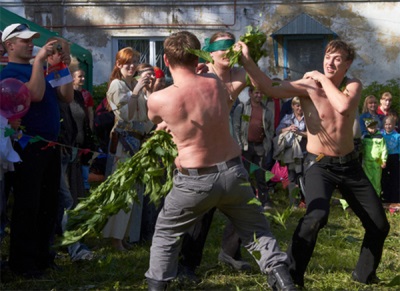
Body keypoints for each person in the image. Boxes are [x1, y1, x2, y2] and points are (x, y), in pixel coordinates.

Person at [145, 30, 295, 291]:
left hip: (195, 181)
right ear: (198, 57)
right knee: (259, 234)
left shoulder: (158, 99)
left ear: (166, 61)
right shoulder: (215, 84)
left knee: (166, 235)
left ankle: (158, 286)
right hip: (233, 175)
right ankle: (284, 284)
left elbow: (158, 122)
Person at [239, 38, 390, 287]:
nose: (330, 62)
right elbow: (269, 87)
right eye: (327, 56)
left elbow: (341, 107)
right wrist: (246, 60)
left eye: (337, 59)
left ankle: (364, 274)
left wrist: (321, 78)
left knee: (379, 224)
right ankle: (292, 276)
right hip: (319, 164)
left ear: (347, 63)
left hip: (350, 166)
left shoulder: (352, 86)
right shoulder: (308, 86)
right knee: (316, 216)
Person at [1, 23, 73, 277]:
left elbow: (67, 96)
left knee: (48, 204)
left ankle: (44, 256)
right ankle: (23, 262)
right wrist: (39, 63)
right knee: (28, 205)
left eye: (32, 40)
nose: (31, 44)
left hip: (50, 144)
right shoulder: (8, 72)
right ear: (9, 45)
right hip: (26, 147)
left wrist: (60, 66)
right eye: (24, 41)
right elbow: (35, 95)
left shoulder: (39, 68)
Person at [103, 49, 154, 251]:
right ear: (118, 64)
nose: (131, 66)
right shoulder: (117, 85)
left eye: (134, 62)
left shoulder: (133, 84)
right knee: (122, 191)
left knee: (133, 192)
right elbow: (126, 115)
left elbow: (147, 117)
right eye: (127, 63)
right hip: (124, 144)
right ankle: (115, 238)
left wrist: (147, 92)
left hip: (137, 141)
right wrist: (136, 93)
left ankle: (123, 236)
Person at [233, 85, 274, 209]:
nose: (259, 95)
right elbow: (236, 127)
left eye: (261, 93)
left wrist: (267, 144)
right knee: (245, 175)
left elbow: (270, 129)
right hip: (246, 147)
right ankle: (248, 200)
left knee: (261, 175)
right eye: (256, 93)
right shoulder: (241, 108)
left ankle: (265, 200)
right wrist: (239, 145)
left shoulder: (267, 111)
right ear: (250, 93)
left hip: (260, 146)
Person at [274, 97, 307, 206]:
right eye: (297, 105)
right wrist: (288, 128)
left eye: (301, 105)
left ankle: (305, 200)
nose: (299, 108)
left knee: (305, 176)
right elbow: (278, 131)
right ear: (292, 106)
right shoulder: (287, 118)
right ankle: (294, 203)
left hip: (306, 151)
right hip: (291, 153)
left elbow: (313, 135)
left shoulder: (308, 118)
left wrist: (299, 132)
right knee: (292, 177)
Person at [361, 118, 387, 197]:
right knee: (368, 180)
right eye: (370, 128)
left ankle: (377, 198)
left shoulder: (380, 137)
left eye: (374, 127)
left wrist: (383, 160)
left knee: (377, 181)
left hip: (377, 160)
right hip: (367, 161)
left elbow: (384, 149)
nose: (372, 129)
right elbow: (361, 149)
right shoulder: (365, 137)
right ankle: (369, 198)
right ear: (366, 128)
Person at [380, 115, 400, 203]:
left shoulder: (397, 135)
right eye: (386, 124)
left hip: (394, 157)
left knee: (395, 178)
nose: (388, 126)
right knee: (384, 177)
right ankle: (385, 196)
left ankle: (395, 198)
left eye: (390, 124)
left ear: (394, 124)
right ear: (384, 125)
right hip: (384, 158)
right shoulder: (381, 134)